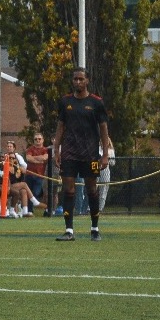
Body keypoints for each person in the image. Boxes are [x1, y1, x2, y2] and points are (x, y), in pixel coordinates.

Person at [53, 68, 111, 241]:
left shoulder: (96, 102)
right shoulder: (65, 101)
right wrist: (57, 149)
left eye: (81, 79)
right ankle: (69, 230)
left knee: (92, 189)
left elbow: (103, 128)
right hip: (69, 154)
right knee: (68, 189)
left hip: (90, 154)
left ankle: (95, 228)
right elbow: (60, 126)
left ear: (87, 81)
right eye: (75, 79)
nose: (77, 82)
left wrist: (105, 154)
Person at [25, 132, 51, 213]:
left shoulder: (46, 150)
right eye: (36, 139)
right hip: (29, 174)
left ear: (43, 140)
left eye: (39, 139)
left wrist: (34, 158)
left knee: (35, 192)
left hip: (40, 175)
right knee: (28, 193)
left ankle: (45, 208)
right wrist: (39, 160)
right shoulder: (30, 149)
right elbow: (28, 158)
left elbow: (45, 158)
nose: (38, 140)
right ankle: (29, 211)